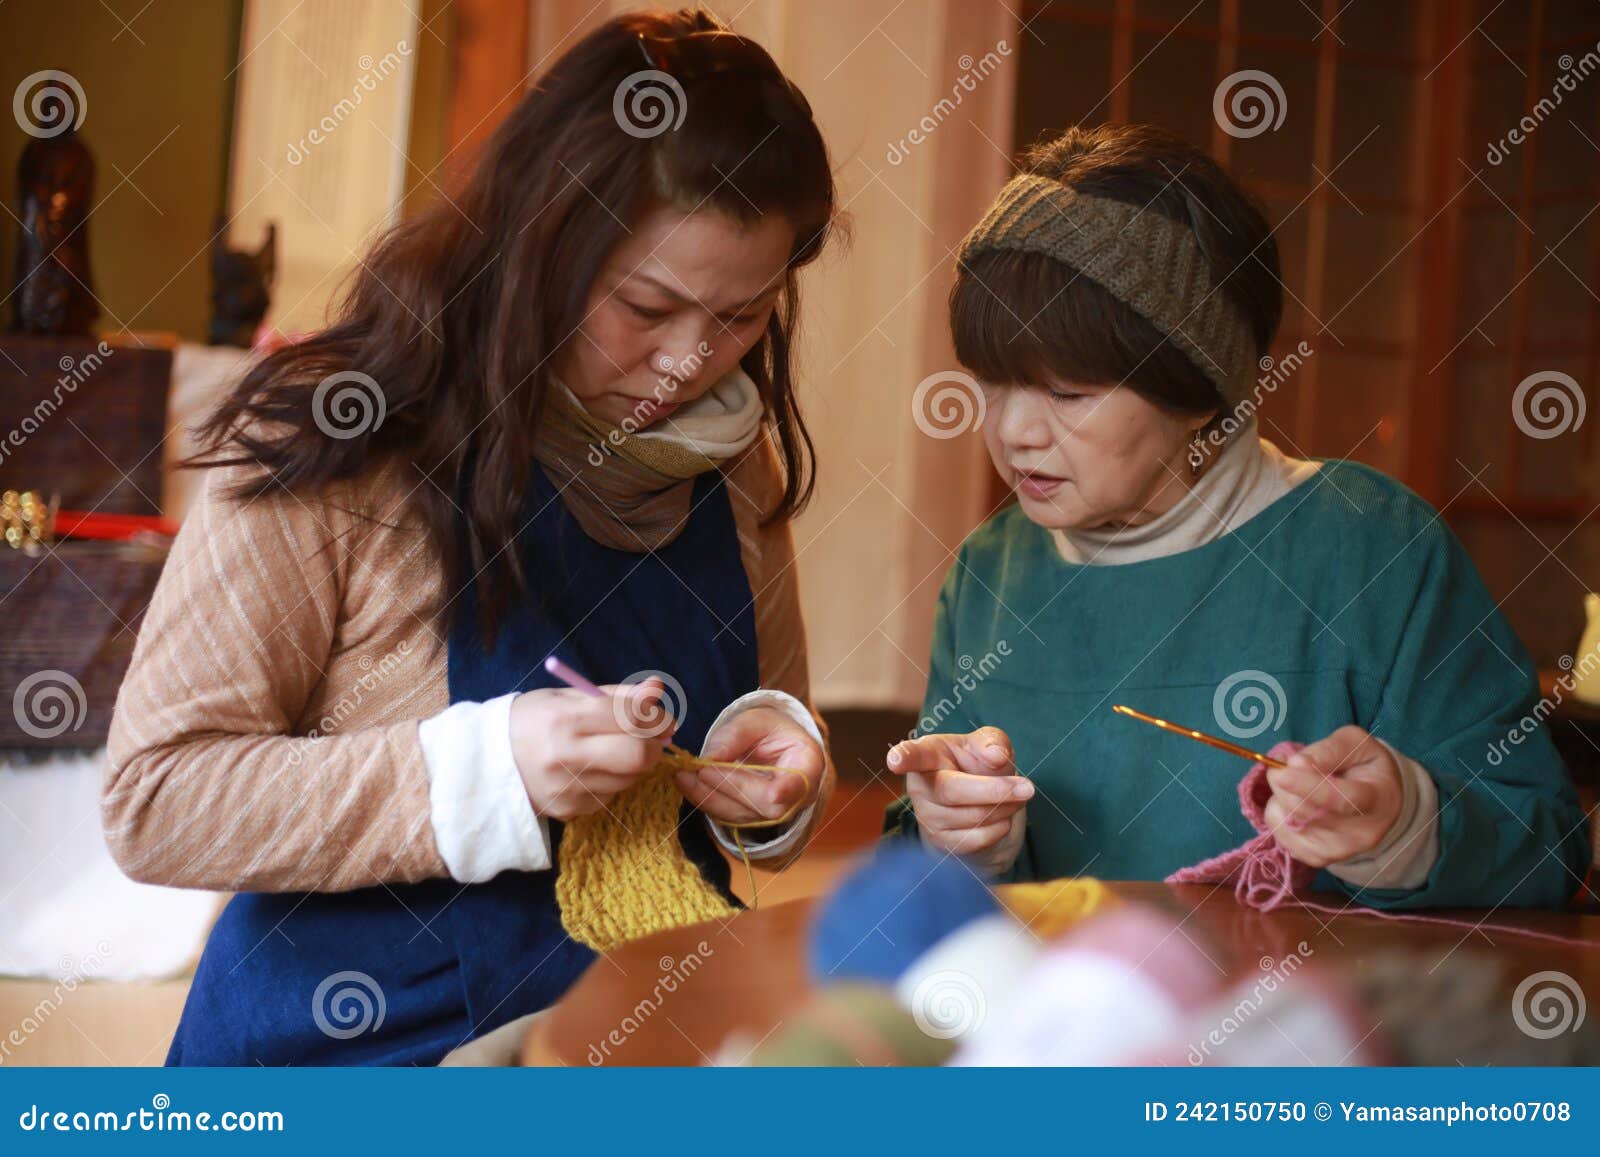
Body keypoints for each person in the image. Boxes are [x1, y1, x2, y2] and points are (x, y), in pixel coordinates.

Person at [104, 8, 836, 1065]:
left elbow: (774, 734)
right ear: (541, 241)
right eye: (645, 306)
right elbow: (154, 799)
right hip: (350, 1051)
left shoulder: (734, 457)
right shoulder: (338, 434)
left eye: (739, 318)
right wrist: (484, 772)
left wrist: (776, 779)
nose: (689, 363)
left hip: (639, 1038)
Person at [885, 123, 1588, 911]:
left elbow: (1546, 847)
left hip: (1315, 1027)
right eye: (991, 380)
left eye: (1067, 391)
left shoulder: (1372, 545)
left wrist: (1407, 827)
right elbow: (932, 887)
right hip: (1065, 1025)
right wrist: (965, 840)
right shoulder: (993, 567)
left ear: (1198, 390)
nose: (1013, 431)